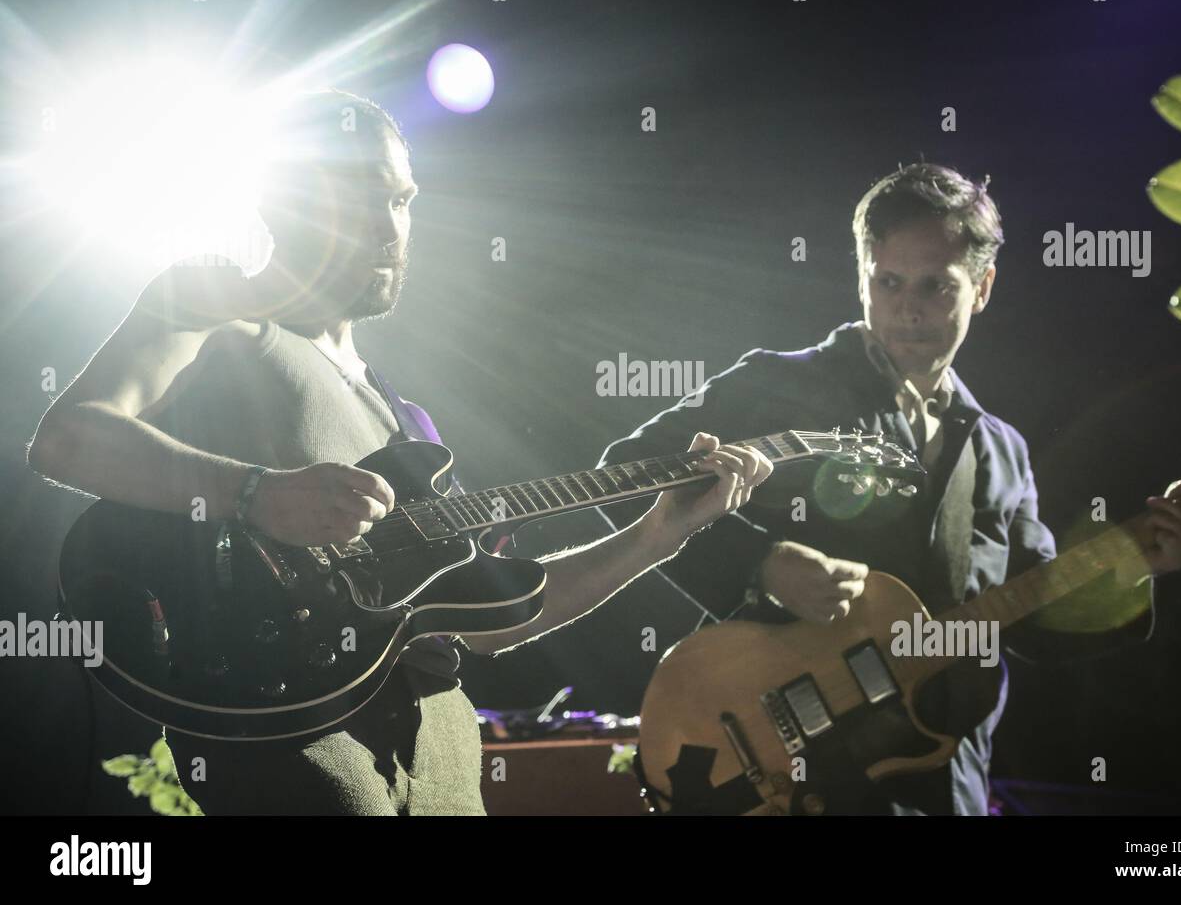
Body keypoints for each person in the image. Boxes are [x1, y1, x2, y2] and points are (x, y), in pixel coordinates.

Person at [26, 90, 772, 815]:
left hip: (444, 744)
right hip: (292, 725)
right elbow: (69, 437)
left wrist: (656, 534)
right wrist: (258, 492)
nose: (389, 226)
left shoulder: (411, 423)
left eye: (401, 200)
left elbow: (493, 623)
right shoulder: (215, 304)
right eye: (362, 197)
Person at [597, 163, 1181, 815]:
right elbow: (627, 478)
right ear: (861, 278)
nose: (909, 307)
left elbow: (1031, 620)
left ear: (983, 288)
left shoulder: (1001, 450)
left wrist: (1139, 567)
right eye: (887, 282)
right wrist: (761, 564)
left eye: (935, 286)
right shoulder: (777, 385)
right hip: (791, 769)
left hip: (943, 781)